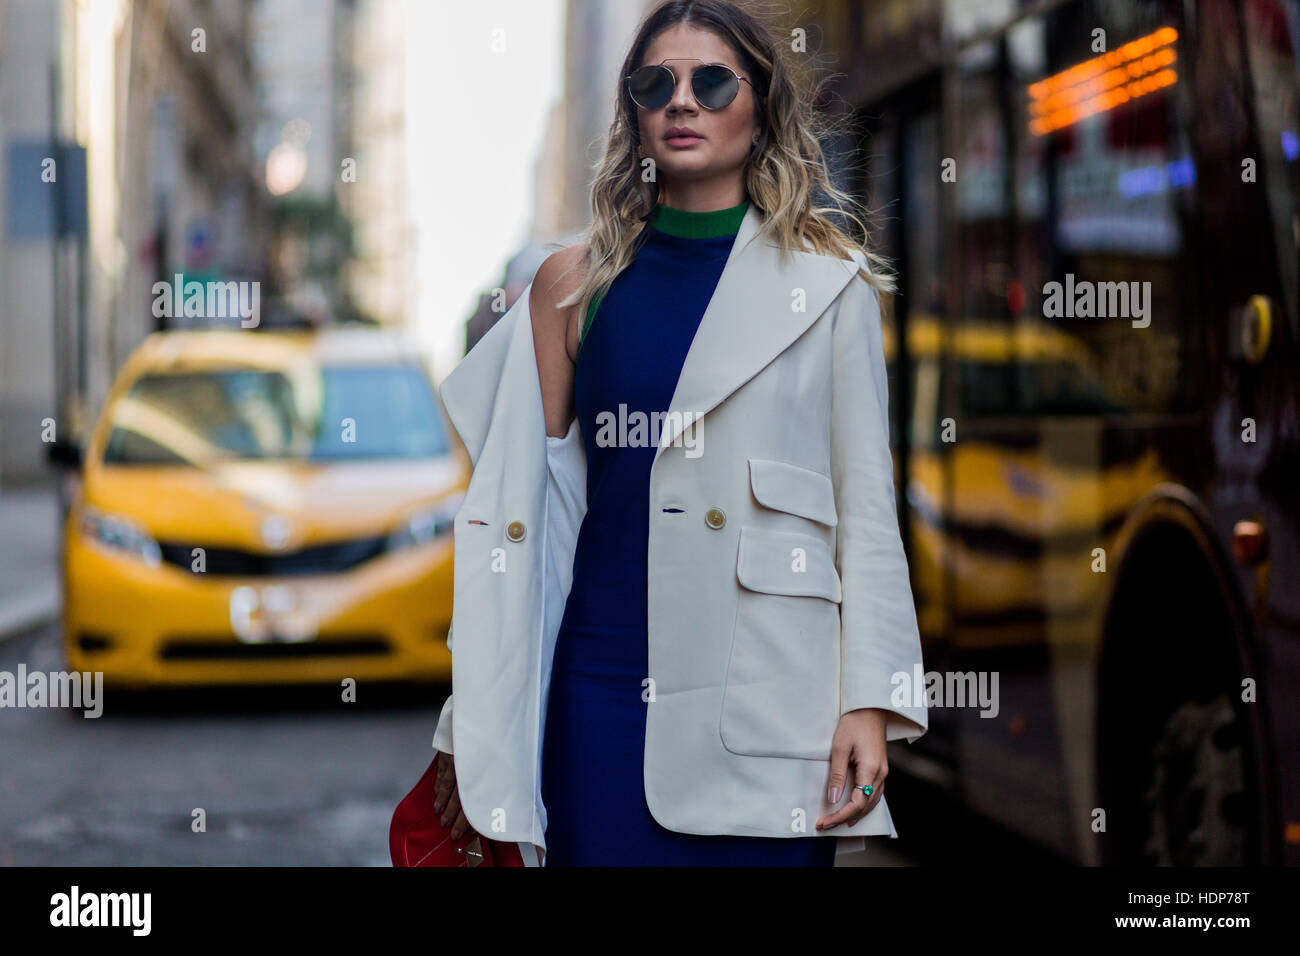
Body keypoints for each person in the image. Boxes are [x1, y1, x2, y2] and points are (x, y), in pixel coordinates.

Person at [430, 0, 925, 866]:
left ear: (762, 104)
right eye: (655, 82)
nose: (681, 101)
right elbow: (516, 517)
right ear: (632, 110)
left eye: (711, 81)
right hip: (603, 696)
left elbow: (869, 517)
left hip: (773, 711)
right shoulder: (570, 286)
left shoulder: (831, 289)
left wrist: (870, 700)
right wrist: (468, 718)